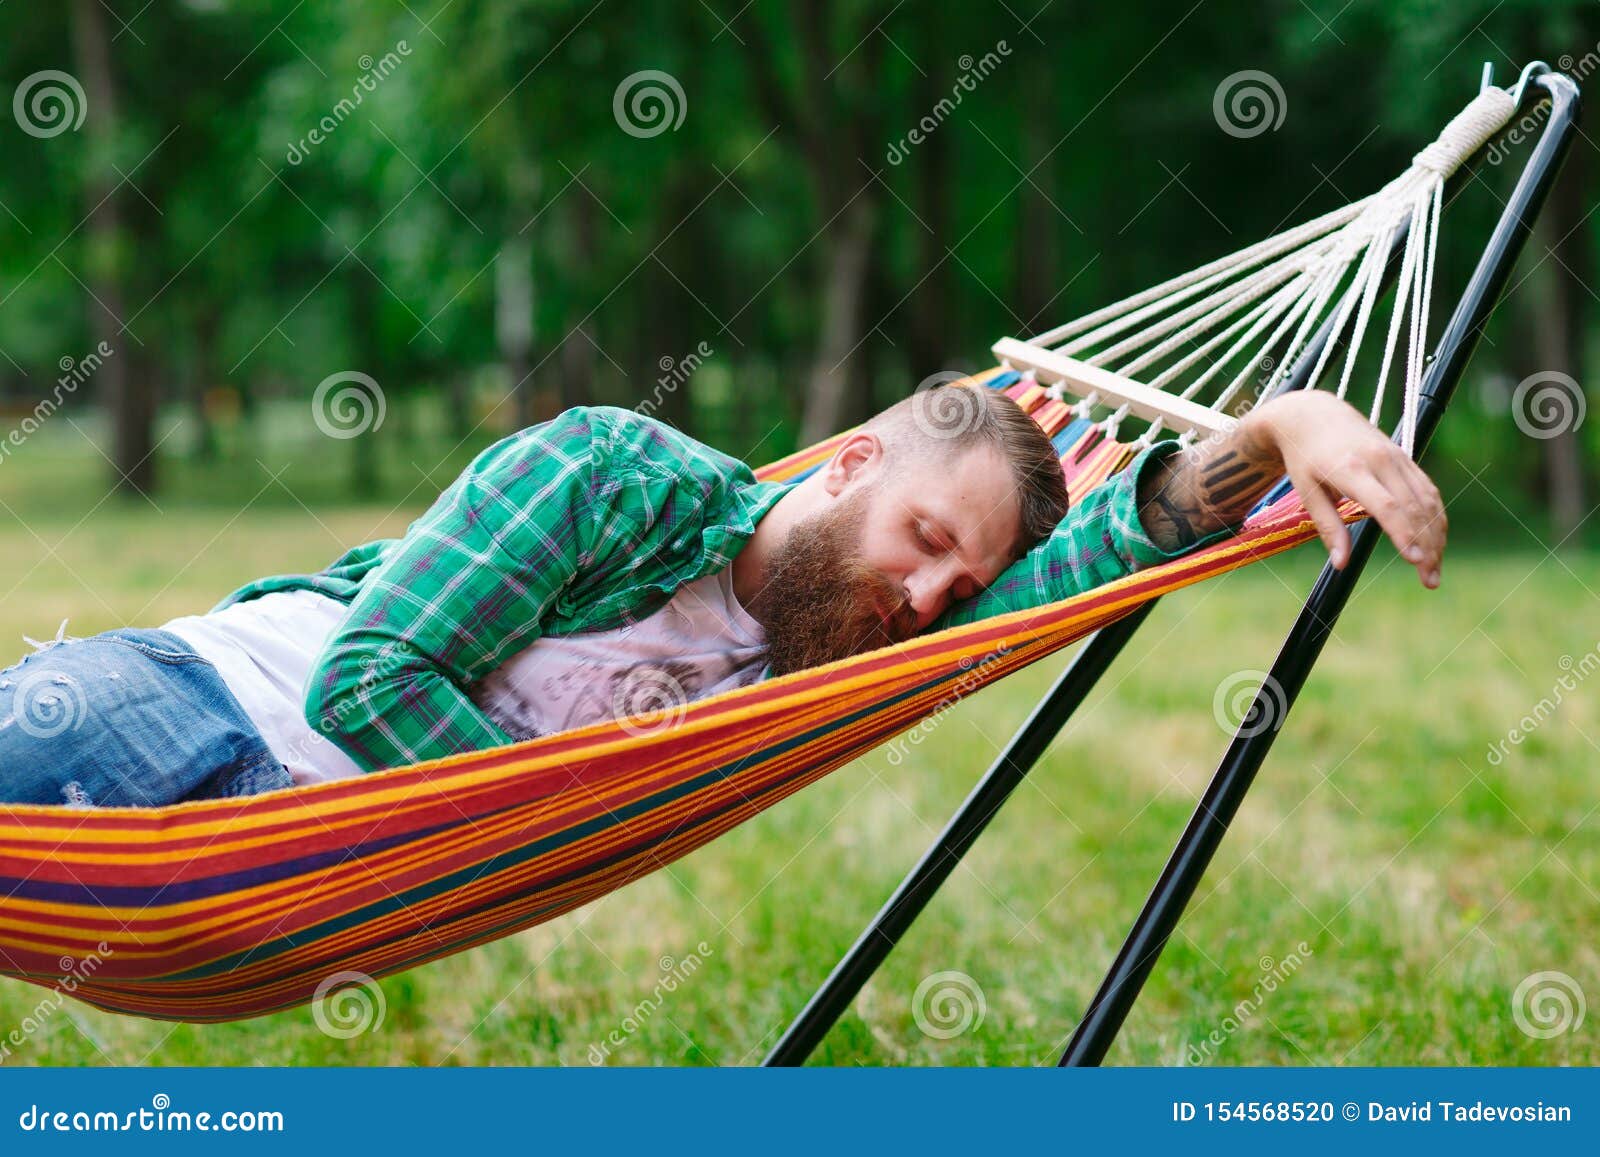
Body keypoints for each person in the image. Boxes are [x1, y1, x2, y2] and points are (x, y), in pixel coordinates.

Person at [0, 384, 1445, 808]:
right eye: (923, 535)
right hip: (189, 711)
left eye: (960, 582)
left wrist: (1282, 432)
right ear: (854, 461)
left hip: (285, 841)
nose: (925, 595)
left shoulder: (846, 644)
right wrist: (564, 817)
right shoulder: (608, 474)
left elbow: (1119, 541)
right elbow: (366, 680)